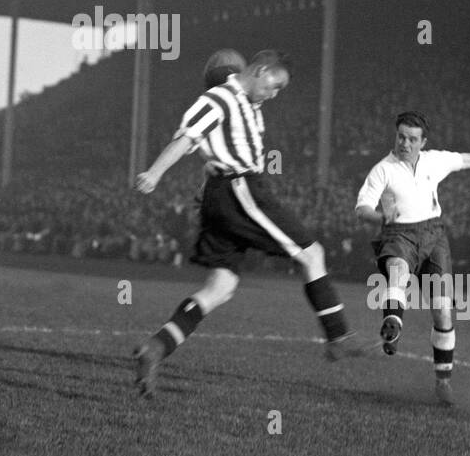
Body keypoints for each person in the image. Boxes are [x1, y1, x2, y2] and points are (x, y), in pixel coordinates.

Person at [131, 50, 364, 400]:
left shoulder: (248, 108)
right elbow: (187, 138)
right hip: (240, 188)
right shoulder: (220, 99)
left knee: (220, 287)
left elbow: (211, 154)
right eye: (275, 85)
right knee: (312, 254)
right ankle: (338, 338)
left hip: (221, 193)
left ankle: (156, 348)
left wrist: (205, 188)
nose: (275, 93)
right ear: (260, 70)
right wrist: (155, 172)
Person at [354, 111, 470, 405]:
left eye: (412, 139)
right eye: (401, 136)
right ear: (395, 136)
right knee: (398, 270)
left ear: (422, 142)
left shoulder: (434, 160)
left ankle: (443, 382)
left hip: (434, 236)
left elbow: (464, 159)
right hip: (399, 234)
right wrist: (381, 216)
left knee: (442, 312)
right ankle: (393, 324)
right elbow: (361, 208)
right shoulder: (382, 170)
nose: (405, 143)